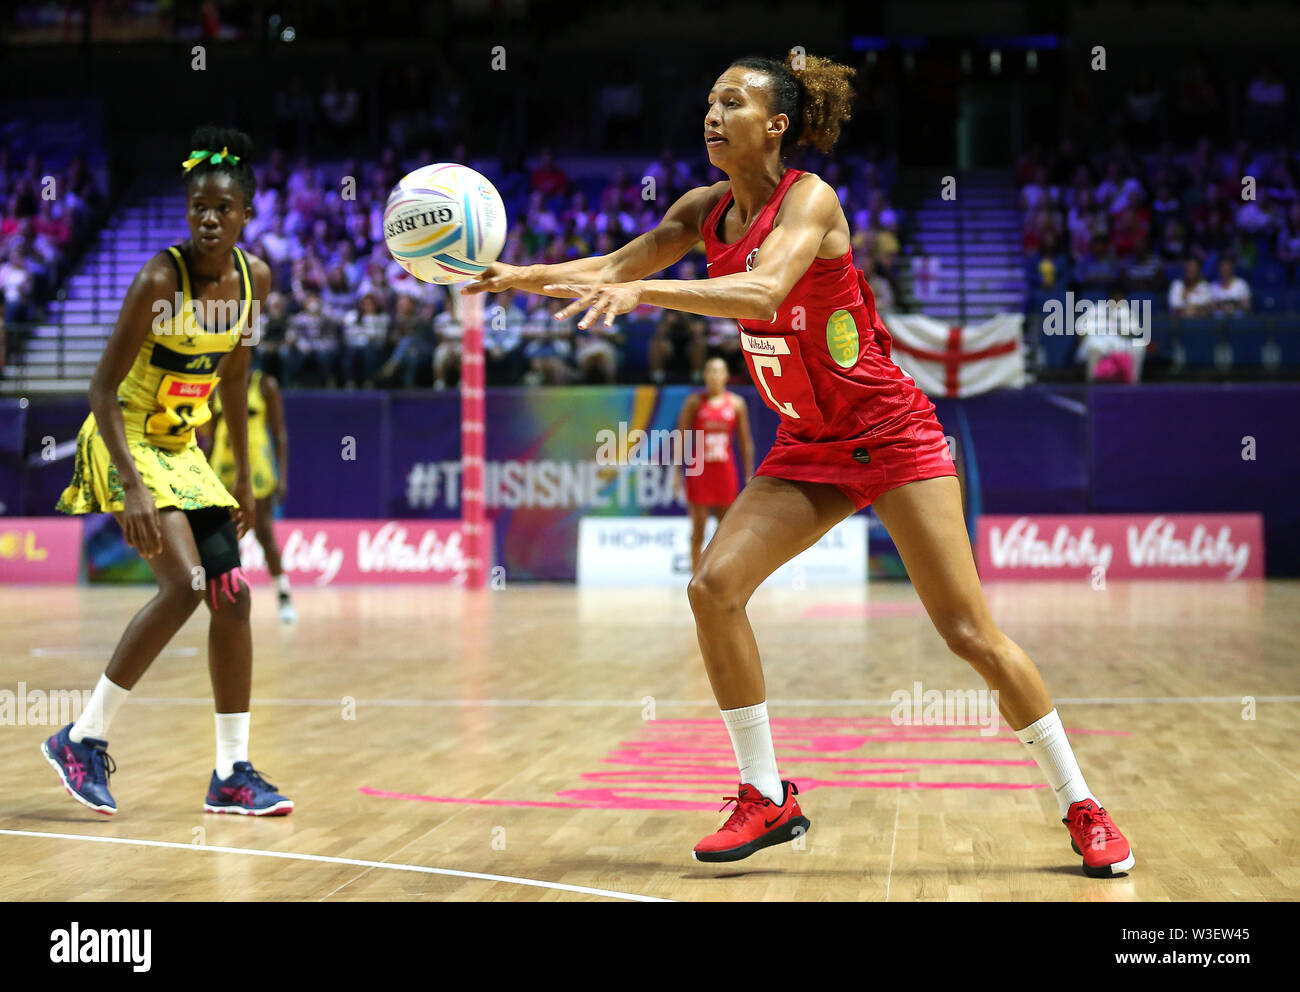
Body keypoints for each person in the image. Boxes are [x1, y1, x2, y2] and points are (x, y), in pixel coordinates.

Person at [464, 52, 1133, 878]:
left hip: (889, 434)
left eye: (733, 102)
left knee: (969, 635)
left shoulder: (810, 199)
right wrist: (513, 277)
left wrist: (648, 296)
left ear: (776, 125)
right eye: (709, 100)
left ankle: (1081, 804)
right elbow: (610, 269)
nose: (713, 114)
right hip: (805, 446)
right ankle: (766, 793)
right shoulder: (703, 209)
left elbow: (763, 294)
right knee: (713, 589)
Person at [46, 127, 293, 818]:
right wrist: (129, 484)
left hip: (183, 449)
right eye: (197, 207)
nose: (208, 218)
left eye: (222, 208)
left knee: (234, 597)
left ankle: (231, 775)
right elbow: (100, 389)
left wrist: (242, 479)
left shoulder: (255, 280)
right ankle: (81, 738)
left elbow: (236, 373)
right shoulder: (162, 279)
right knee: (186, 585)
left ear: (245, 215)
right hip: (125, 436)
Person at [203, 362, 296, 624]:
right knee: (228, 538)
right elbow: (210, 436)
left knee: (264, 532)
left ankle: (283, 596)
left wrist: (282, 476)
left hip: (256, 467)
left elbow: (279, 434)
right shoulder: (215, 384)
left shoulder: (265, 384)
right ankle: (235, 598)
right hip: (223, 467)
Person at [676, 356, 754, 571]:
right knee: (698, 529)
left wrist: (749, 473)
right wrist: (676, 472)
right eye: (710, 371)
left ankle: (721, 575)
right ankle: (694, 577)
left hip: (724, 471)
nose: (714, 376)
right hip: (699, 472)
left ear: (727, 376)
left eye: (719, 371)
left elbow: (745, 442)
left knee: (725, 530)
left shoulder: (736, 403)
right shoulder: (694, 402)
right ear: (704, 376)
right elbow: (681, 437)